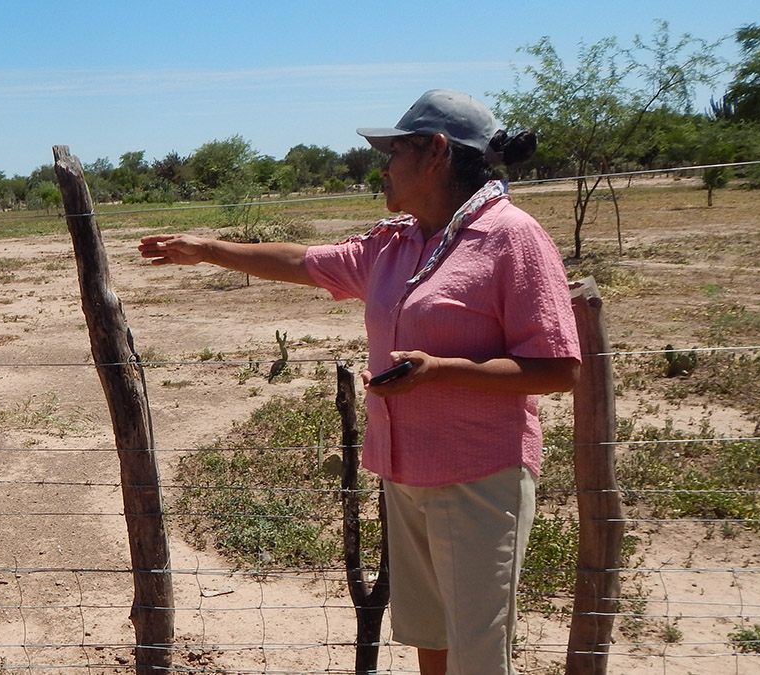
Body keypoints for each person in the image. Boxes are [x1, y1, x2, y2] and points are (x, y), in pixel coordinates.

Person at [138, 89, 580, 675]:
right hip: (406, 471)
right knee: (431, 634)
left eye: (393, 151)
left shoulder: (511, 238)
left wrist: (441, 371)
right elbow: (305, 262)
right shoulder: (400, 242)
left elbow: (559, 369)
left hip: (480, 475)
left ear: (435, 153)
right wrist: (210, 250)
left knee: (478, 649)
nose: (382, 166)